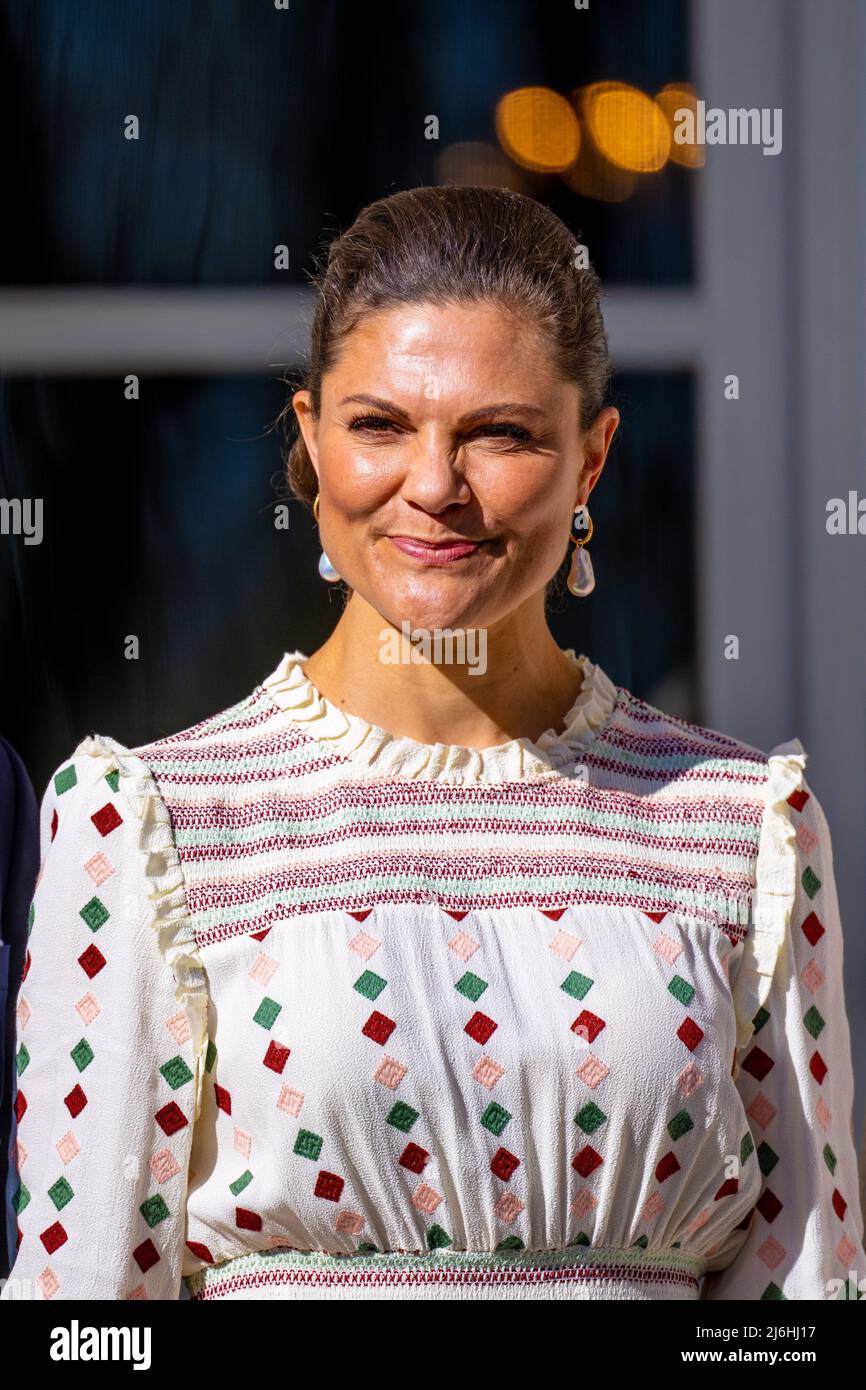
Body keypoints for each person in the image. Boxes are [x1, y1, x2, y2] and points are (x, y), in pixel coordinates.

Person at [3, 185, 864, 1301]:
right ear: (309, 444)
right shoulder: (154, 822)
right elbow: (78, 1317)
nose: (432, 487)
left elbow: (805, 1294)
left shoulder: (739, 824)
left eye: (497, 433)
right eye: (378, 426)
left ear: (590, 459)